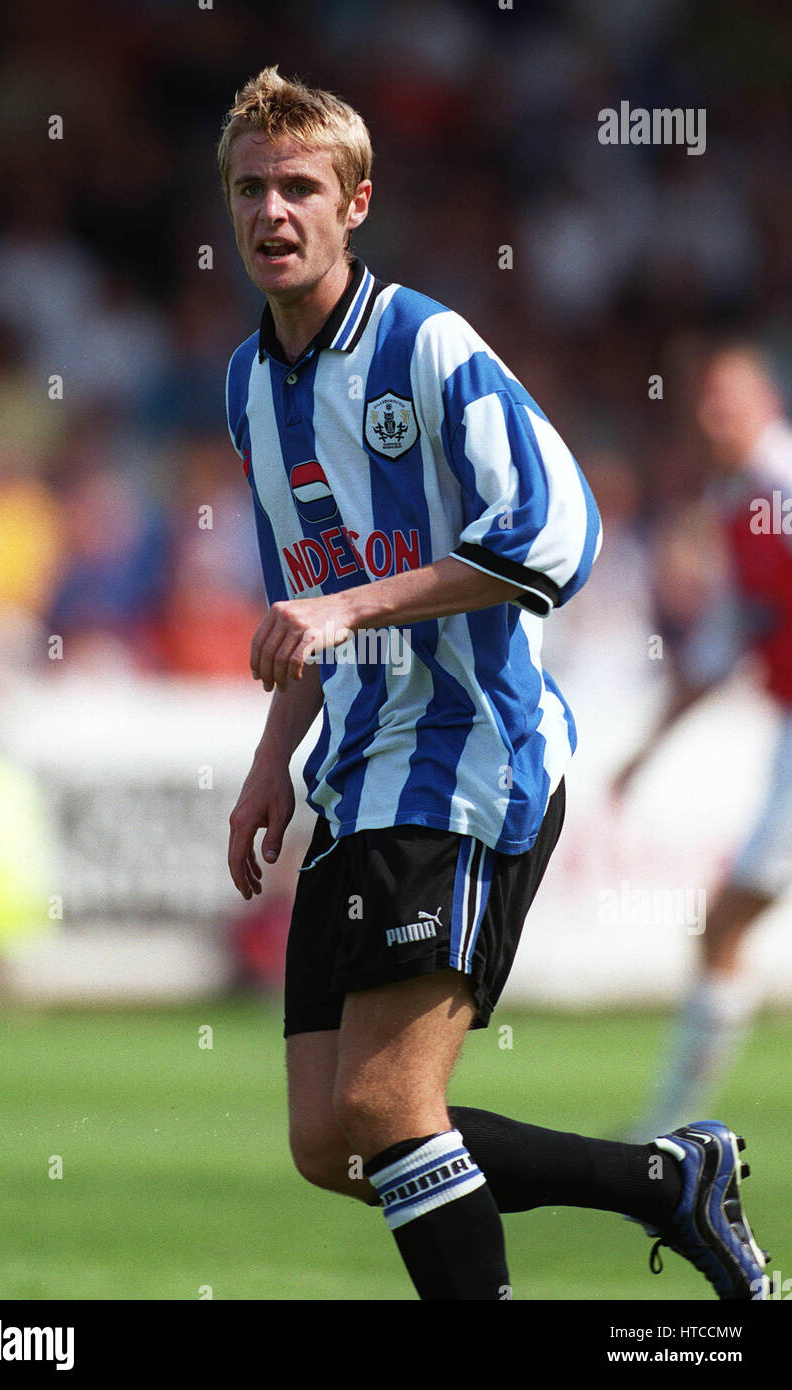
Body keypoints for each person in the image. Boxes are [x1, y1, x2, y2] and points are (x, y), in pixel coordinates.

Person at [221, 67, 768, 1301]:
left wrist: (354, 601)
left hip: (469, 755)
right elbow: (301, 608)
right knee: (329, 1142)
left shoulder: (426, 344)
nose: (274, 211)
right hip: (355, 776)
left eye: (301, 187)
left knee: (387, 1103)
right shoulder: (251, 386)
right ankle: (665, 1182)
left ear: (355, 201)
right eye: (252, 188)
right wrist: (271, 759)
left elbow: (557, 535)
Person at [615, 343, 792, 1137]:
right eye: (704, 399)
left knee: (723, 925)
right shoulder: (737, 502)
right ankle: (670, 1132)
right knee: (723, 926)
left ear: (765, 404)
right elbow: (719, 647)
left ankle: (668, 1136)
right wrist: (646, 751)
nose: (711, 414)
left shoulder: (778, 487)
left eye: (728, 398)